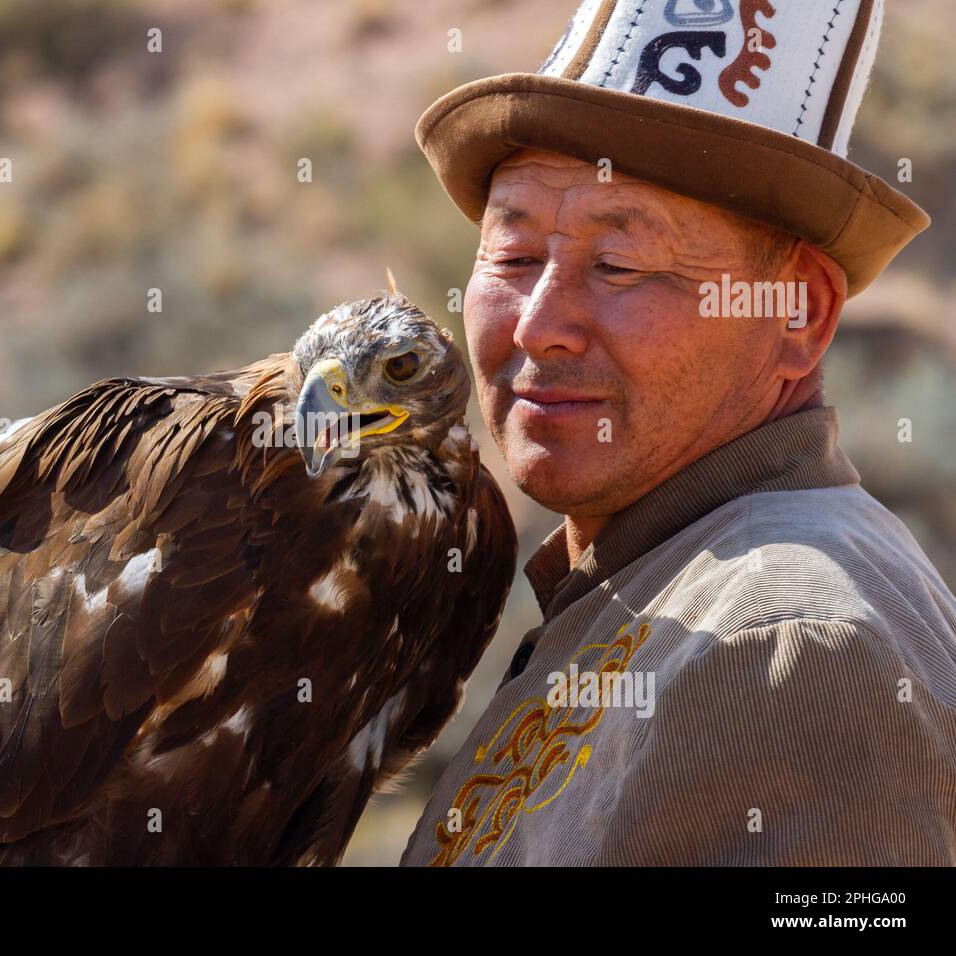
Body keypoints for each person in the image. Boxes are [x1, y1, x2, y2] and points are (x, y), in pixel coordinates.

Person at [400, 0, 956, 866]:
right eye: (511, 258)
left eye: (618, 264)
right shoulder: (652, 577)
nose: (541, 324)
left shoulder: (788, 648)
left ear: (797, 312)